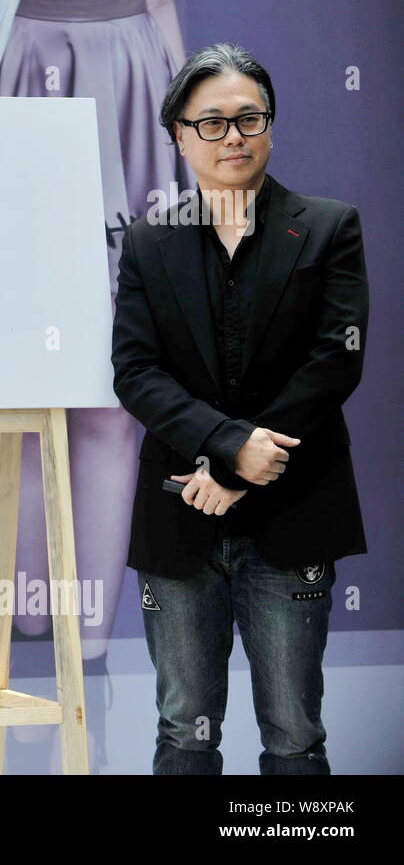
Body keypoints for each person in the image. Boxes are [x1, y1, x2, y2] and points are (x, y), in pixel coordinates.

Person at [0, 0, 193, 769]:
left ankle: (91, 678)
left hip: (135, 84)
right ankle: (35, 666)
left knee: (113, 408)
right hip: (20, 72)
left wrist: (200, 133)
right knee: (32, 399)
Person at [112, 42, 369, 774]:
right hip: (180, 513)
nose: (233, 137)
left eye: (249, 119)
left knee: (294, 734)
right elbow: (136, 372)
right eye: (213, 122)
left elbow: (335, 359)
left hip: (293, 510)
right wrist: (229, 447)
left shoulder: (326, 227)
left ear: (271, 127)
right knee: (183, 730)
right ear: (179, 136)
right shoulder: (149, 241)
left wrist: (247, 468)